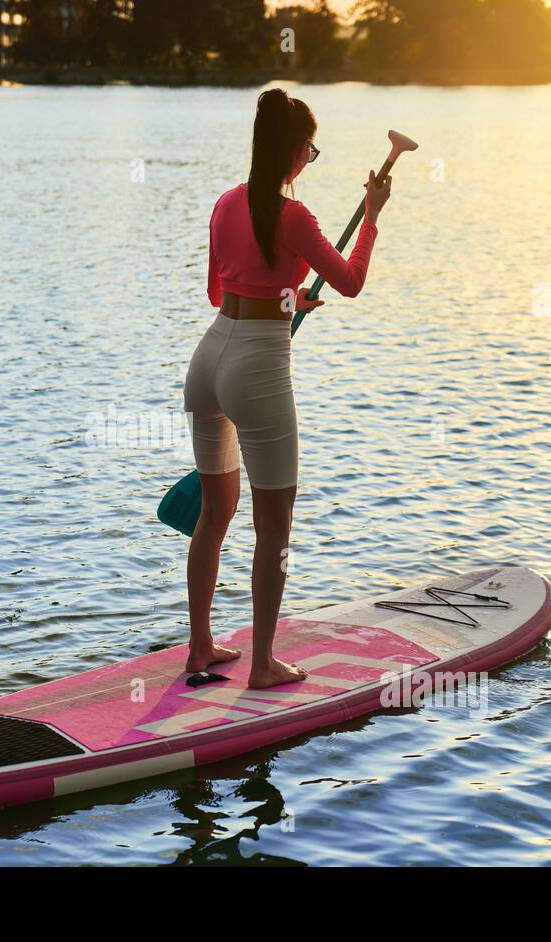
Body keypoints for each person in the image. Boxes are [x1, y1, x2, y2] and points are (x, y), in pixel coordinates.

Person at [182, 88, 392, 689]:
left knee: (214, 516)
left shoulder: (225, 204)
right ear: (295, 149)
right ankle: (265, 664)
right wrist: (372, 214)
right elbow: (350, 281)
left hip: (209, 359)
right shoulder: (294, 217)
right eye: (311, 147)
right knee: (274, 526)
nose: (310, 156)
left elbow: (220, 295)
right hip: (258, 370)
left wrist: (284, 296)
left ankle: (200, 646)